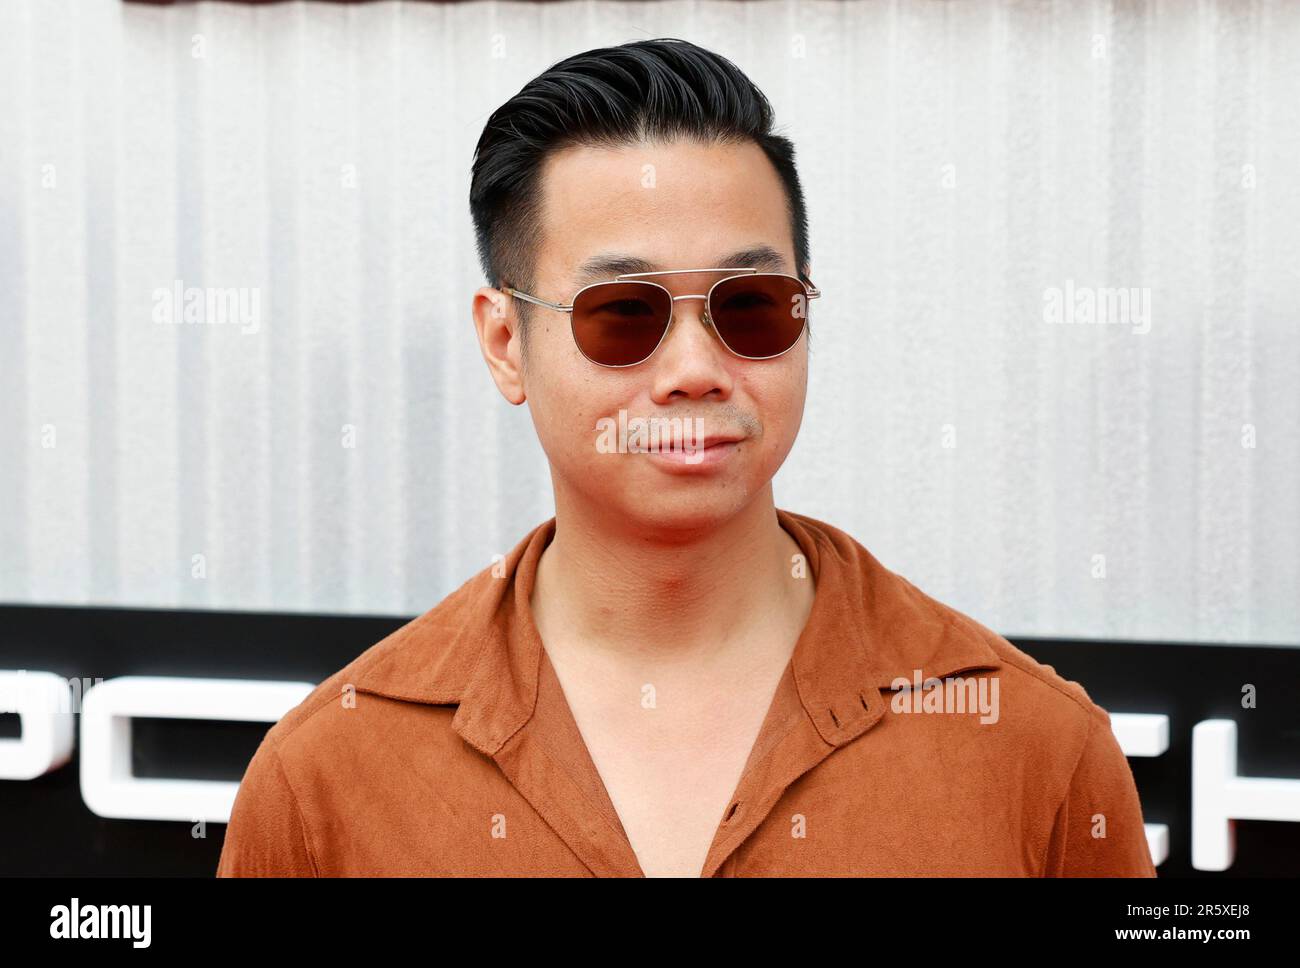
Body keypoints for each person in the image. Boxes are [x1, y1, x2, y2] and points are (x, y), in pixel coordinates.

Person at [217, 37, 1156, 878]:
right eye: (623, 314)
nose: (697, 371)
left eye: (750, 304)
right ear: (506, 342)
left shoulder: (1034, 748)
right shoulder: (328, 779)